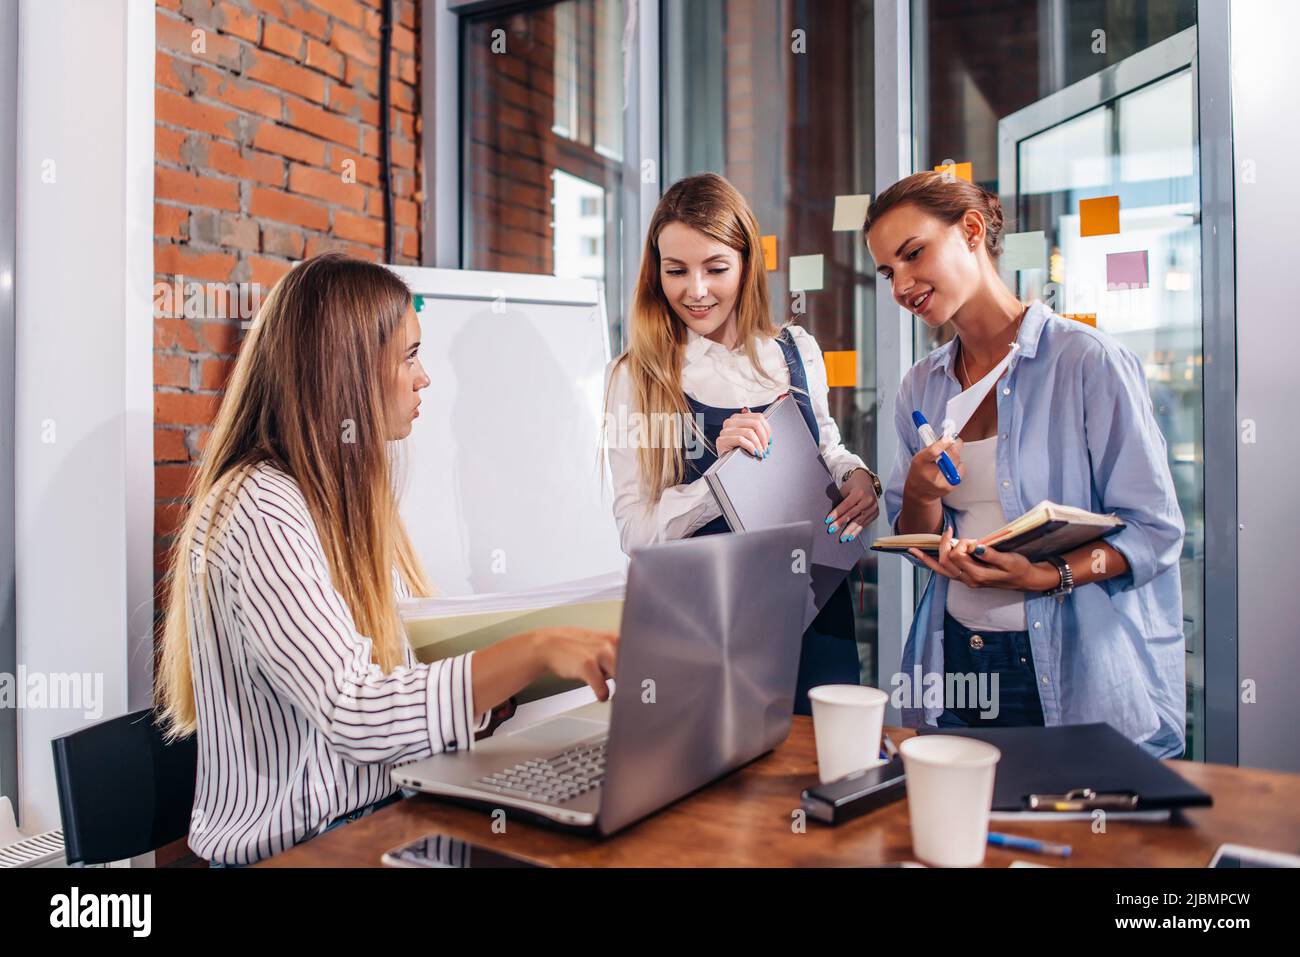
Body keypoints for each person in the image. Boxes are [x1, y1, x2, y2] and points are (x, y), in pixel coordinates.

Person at [155, 253, 618, 866]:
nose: (424, 377)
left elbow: (391, 686)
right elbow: (355, 709)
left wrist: (489, 695)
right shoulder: (258, 507)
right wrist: (529, 650)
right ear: (345, 370)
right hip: (302, 853)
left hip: (378, 826)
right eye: (409, 356)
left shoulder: (349, 499)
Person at [864, 170, 1186, 758]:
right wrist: (920, 490)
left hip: (1072, 671)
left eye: (913, 255)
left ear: (970, 230)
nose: (902, 285)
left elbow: (1154, 531)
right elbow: (913, 535)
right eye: (888, 272)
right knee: (961, 841)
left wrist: (1046, 576)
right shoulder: (921, 386)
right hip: (958, 656)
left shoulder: (1086, 363)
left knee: (1074, 842)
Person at [604, 172, 882, 713]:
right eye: (676, 270)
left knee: (820, 771)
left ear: (747, 265)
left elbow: (827, 445)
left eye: (716, 268)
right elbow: (636, 535)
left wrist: (856, 478)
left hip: (816, 613)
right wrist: (721, 480)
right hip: (705, 628)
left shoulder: (796, 349)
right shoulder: (634, 377)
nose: (696, 290)